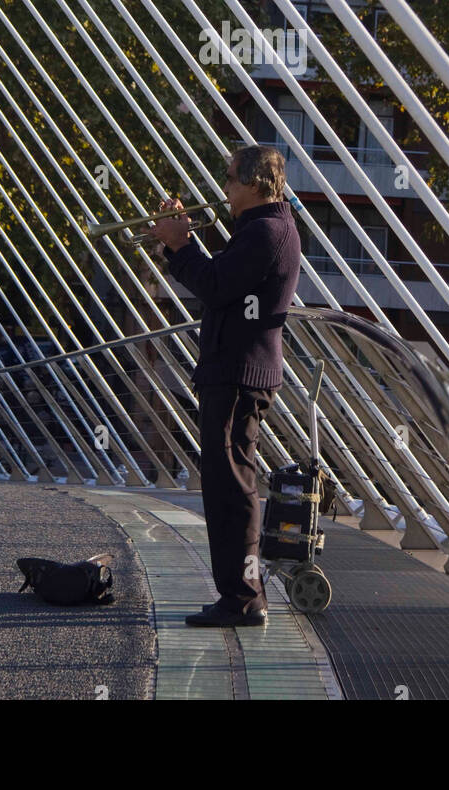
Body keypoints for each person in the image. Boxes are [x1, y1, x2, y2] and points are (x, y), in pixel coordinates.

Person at [152, 145, 301, 628]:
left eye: (232, 180)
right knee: (226, 485)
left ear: (256, 184)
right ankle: (240, 594)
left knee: (232, 489)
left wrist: (181, 245)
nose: (226, 188)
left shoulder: (266, 232)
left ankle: (242, 598)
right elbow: (222, 281)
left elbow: (215, 286)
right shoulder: (261, 230)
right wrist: (178, 244)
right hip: (234, 370)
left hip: (238, 373)